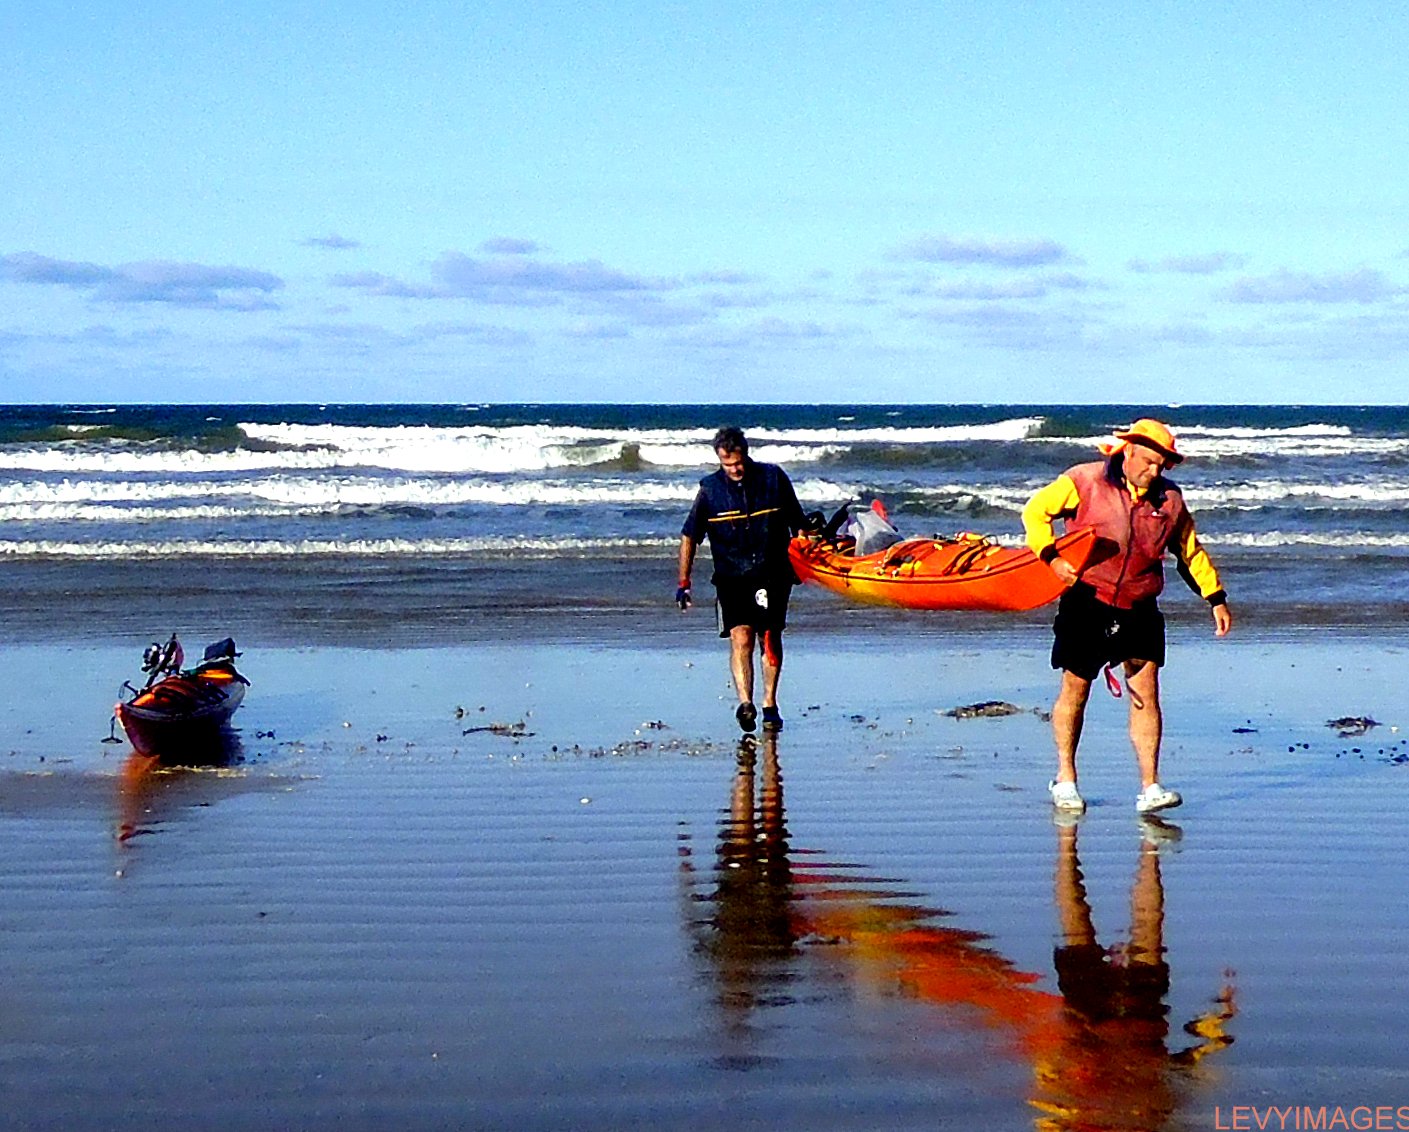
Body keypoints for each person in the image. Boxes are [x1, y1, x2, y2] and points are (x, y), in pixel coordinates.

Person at [1022, 418, 1232, 814]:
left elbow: (1189, 552)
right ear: (1129, 450)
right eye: (1149, 462)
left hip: (1140, 604)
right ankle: (1065, 779)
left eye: (1162, 466)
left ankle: (1150, 787)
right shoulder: (1084, 480)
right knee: (1076, 689)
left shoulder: (1170, 501)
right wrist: (1051, 558)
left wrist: (1215, 597)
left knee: (1146, 692)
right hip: (1088, 598)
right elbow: (1035, 514)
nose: (1155, 472)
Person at [678, 427, 806, 734]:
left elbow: (798, 524)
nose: (734, 469)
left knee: (770, 639)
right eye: (727, 463)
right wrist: (684, 581)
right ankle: (746, 704)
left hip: (772, 572)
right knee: (742, 638)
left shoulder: (773, 479)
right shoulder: (709, 490)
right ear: (719, 460)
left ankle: (770, 704)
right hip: (731, 576)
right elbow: (689, 537)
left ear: (746, 454)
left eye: (738, 462)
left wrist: (809, 554)